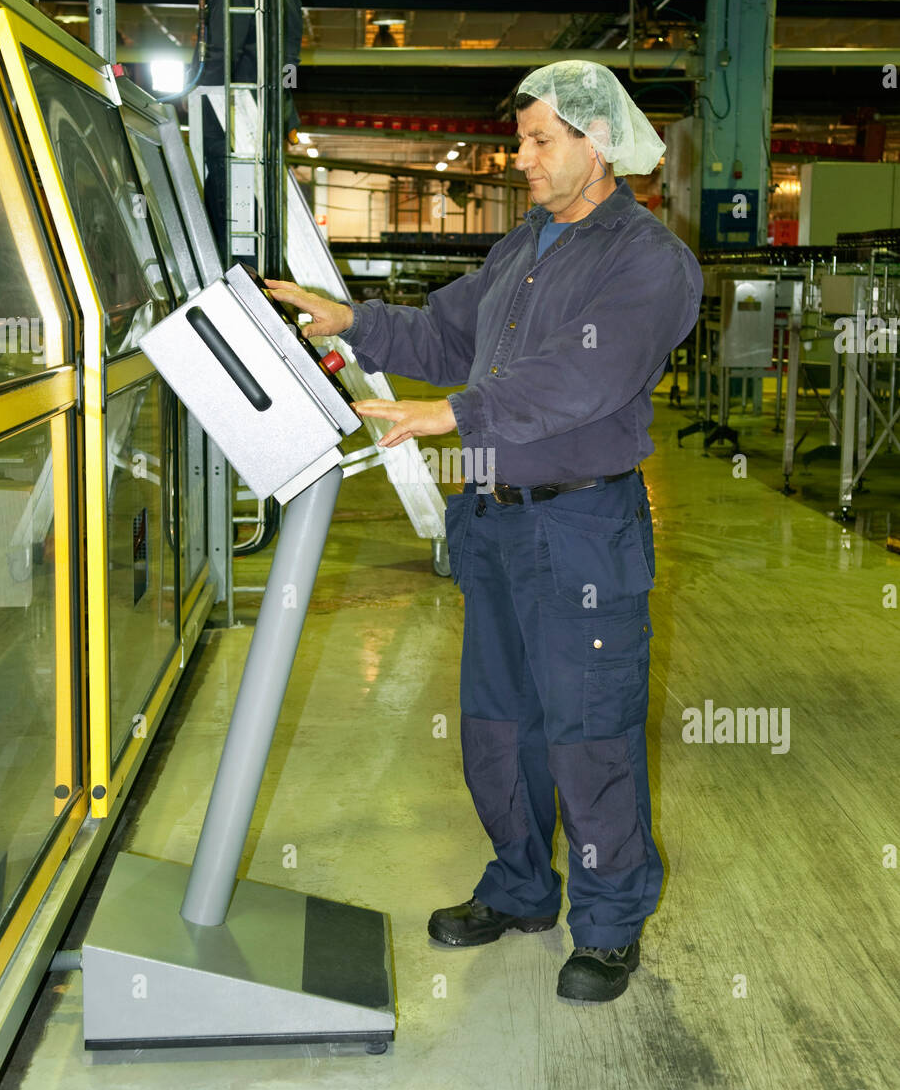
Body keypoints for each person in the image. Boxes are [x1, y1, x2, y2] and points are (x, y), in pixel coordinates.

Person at [265, 61, 704, 1004]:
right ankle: (519, 888)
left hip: (582, 529)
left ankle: (609, 926)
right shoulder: (523, 248)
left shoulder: (647, 262)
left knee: (590, 734)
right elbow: (443, 334)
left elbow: (581, 380)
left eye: (541, 140)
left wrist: (457, 415)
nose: (522, 157)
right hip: (497, 524)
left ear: (597, 142)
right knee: (500, 727)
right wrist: (352, 322)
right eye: (521, 139)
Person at [189, 0, 303, 263]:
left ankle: (239, 289)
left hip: (231, 124)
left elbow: (220, 56)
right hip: (267, 123)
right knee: (260, 223)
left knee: (231, 228)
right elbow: (289, 65)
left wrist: (192, 92)